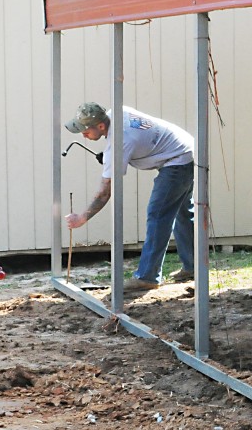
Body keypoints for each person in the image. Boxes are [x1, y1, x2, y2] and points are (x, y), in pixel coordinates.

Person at [64, 102, 195, 294]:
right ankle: (193, 266)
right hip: (185, 147)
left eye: (86, 131)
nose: (83, 135)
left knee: (158, 215)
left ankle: (147, 277)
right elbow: (134, 140)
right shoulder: (116, 114)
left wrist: (82, 218)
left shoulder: (121, 142)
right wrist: (111, 157)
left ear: (101, 125)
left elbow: (104, 193)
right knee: (182, 212)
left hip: (178, 160)